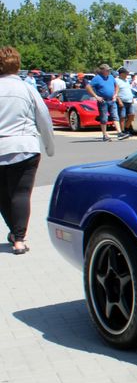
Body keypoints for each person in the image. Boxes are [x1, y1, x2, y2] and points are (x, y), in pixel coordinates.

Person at [0, 47, 55, 254]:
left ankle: (14, 231)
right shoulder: (27, 88)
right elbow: (44, 118)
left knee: (3, 196)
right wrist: (49, 147)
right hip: (25, 147)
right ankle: (19, 239)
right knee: (21, 194)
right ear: (18, 65)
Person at [86, 64, 122, 141]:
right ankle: (104, 134)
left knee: (115, 116)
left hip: (112, 100)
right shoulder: (97, 78)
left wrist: (115, 95)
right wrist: (96, 96)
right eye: (107, 70)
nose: (109, 71)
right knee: (104, 118)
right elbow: (88, 87)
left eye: (109, 70)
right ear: (102, 70)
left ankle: (119, 133)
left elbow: (117, 86)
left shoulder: (111, 77)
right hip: (103, 101)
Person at [115, 68, 135, 138]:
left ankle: (127, 128)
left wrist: (132, 98)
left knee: (132, 115)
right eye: (126, 73)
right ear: (121, 74)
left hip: (129, 100)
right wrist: (119, 100)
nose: (127, 75)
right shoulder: (117, 81)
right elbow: (115, 92)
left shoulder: (127, 81)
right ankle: (122, 131)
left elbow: (129, 90)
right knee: (122, 117)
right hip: (122, 101)